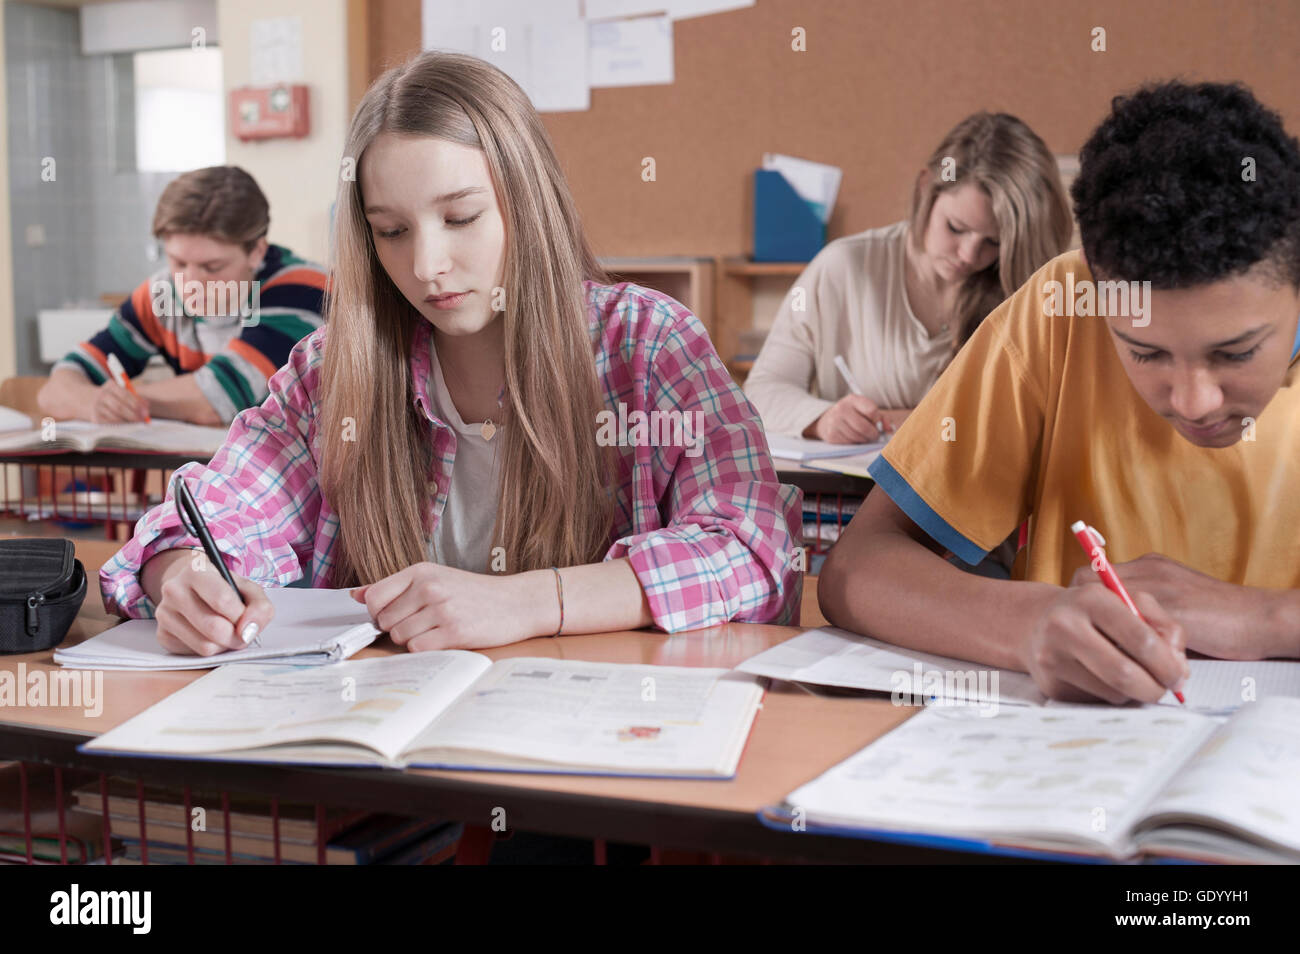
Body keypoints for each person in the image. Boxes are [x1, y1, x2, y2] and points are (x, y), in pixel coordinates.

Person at [99, 51, 803, 655]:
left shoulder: (648, 345)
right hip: (389, 764)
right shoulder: (331, 370)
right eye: (391, 230)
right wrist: (183, 574)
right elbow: (224, 508)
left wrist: (531, 603)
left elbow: (752, 544)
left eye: (460, 217)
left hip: (593, 760)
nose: (427, 264)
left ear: (528, 203)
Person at [818, 81, 1300, 704]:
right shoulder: (1060, 306)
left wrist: (1271, 619)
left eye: (1235, 353)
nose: (1193, 401)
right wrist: (1024, 624)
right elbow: (858, 568)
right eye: (1145, 351)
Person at [744, 112, 1073, 443]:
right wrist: (821, 419)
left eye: (994, 242)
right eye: (956, 228)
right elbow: (762, 390)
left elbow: (1039, 417)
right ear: (925, 187)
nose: (969, 255)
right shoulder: (843, 268)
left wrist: (898, 419)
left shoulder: (1026, 288)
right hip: (858, 489)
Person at [38, 166, 327, 426]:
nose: (189, 283)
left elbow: (220, 399)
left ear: (256, 252)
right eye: (178, 262)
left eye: (211, 267)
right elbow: (55, 389)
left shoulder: (304, 288)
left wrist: (121, 399)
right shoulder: (163, 293)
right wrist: (93, 402)